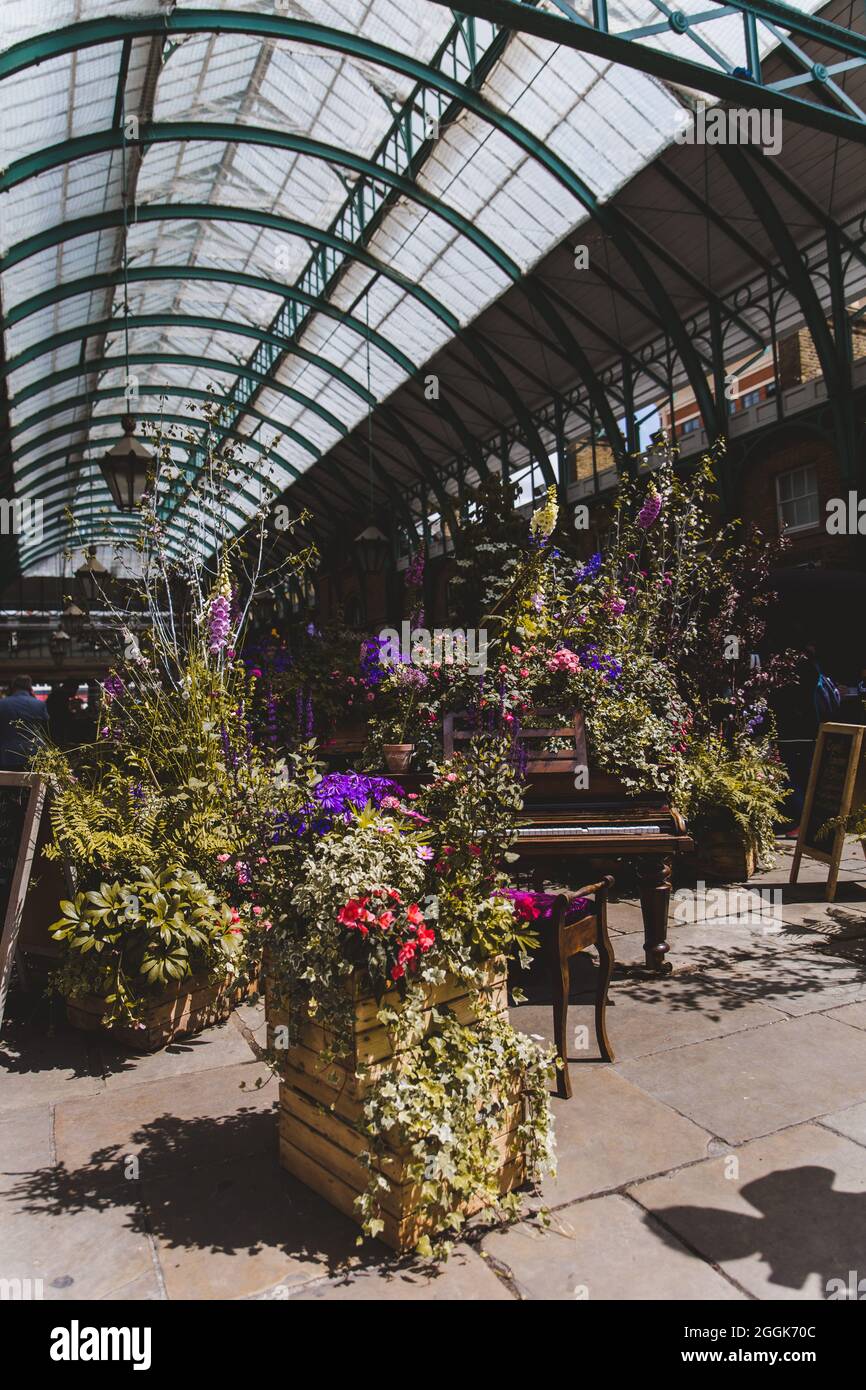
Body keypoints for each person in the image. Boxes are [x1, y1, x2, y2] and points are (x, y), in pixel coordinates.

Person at [0, 674, 49, 770]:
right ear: (30, 687)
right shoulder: (39, 704)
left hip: (6, 756)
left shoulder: (2, 704)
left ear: (13, 687)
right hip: (34, 756)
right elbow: (46, 730)